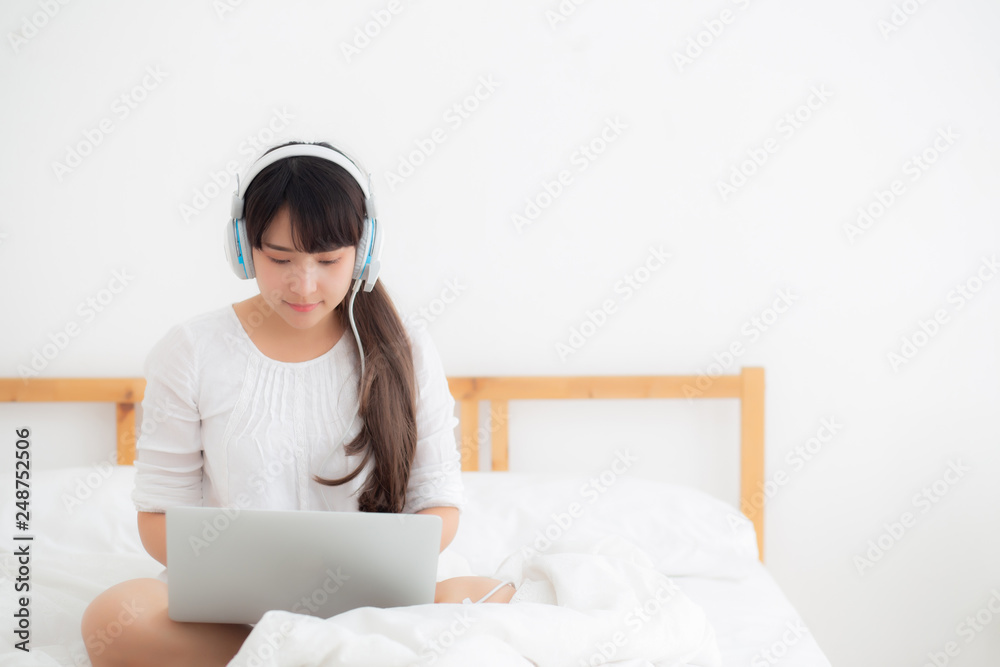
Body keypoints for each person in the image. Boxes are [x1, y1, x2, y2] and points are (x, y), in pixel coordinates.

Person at [80, 141, 521, 667]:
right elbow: (158, 516)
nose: (304, 284)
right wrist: (257, 578)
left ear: (365, 249)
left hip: (376, 600)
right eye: (280, 258)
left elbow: (437, 501)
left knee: (498, 604)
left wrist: (364, 572)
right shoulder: (191, 350)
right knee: (113, 618)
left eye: (328, 260)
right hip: (234, 608)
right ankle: (341, 654)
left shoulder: (405, 348)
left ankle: (296, 653)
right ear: (243, 250)